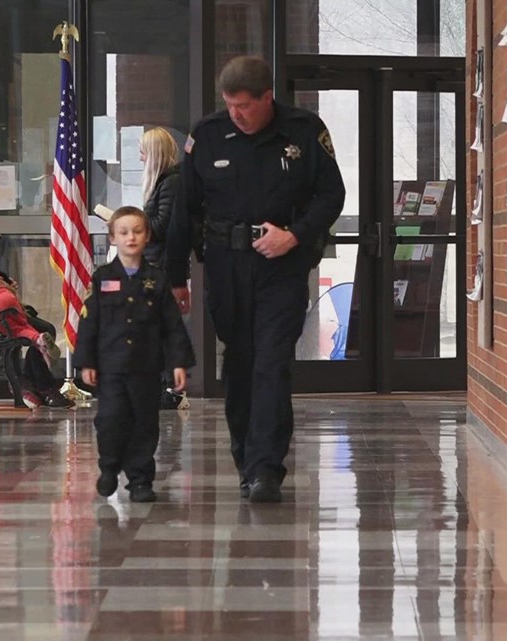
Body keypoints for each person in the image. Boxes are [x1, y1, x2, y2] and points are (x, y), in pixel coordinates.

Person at [166, 56, 346, 503]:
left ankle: (267, 468)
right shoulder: (206, 135)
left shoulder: (304, 131)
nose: (236, 114)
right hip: (226, 266)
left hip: (281, 267)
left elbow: (331, 194)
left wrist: (296, 236)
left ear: (267, 97)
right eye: (230, 105)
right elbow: (184, 210)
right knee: (243, 364)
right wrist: (175, 277)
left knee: (271, 362)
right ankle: (246, 456)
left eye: (245, 105)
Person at [75, 206, 195, 503]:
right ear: (113, 238)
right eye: (124, 232)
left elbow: (172, 325)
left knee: (145, 423)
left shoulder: (157, 279)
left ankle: (141, 480)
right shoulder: (103, 277)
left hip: (146, 367)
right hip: (111, 367)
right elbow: (90, 322)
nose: (131, 238)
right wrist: (86, 361)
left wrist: (178, 363)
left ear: (147, 236)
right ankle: (109, 467)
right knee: (111, 419)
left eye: (137, 231)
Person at [0, 213, 72, 409]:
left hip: (2, 312)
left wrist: (8, 286)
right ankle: (40, 386)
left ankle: (34, 383)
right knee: (34, 332)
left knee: (45, 329)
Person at [139, 127, 190, 410]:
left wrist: (134, 224)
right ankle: (163, 384)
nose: (140, 157)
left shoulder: (170, 183)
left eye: (143, 151)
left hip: (162, 267)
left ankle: (173, 387)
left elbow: (162, 227)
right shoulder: (163, 183)